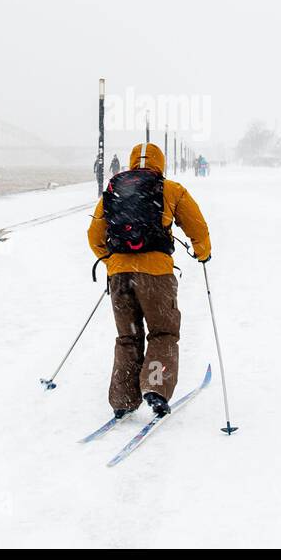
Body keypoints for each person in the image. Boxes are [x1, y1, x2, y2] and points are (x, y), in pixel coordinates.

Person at [87, 143, 210, 419]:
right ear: (160, 163)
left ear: (132, 162)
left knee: (128, 337)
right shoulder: (171, 189)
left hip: (119, 277)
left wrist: (114, 262)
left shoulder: (114, 189)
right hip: (156, 277)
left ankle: (122, 398)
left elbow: (94, 236)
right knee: (162, 332)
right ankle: (155, 388)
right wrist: (203, 252)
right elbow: (197, 226)